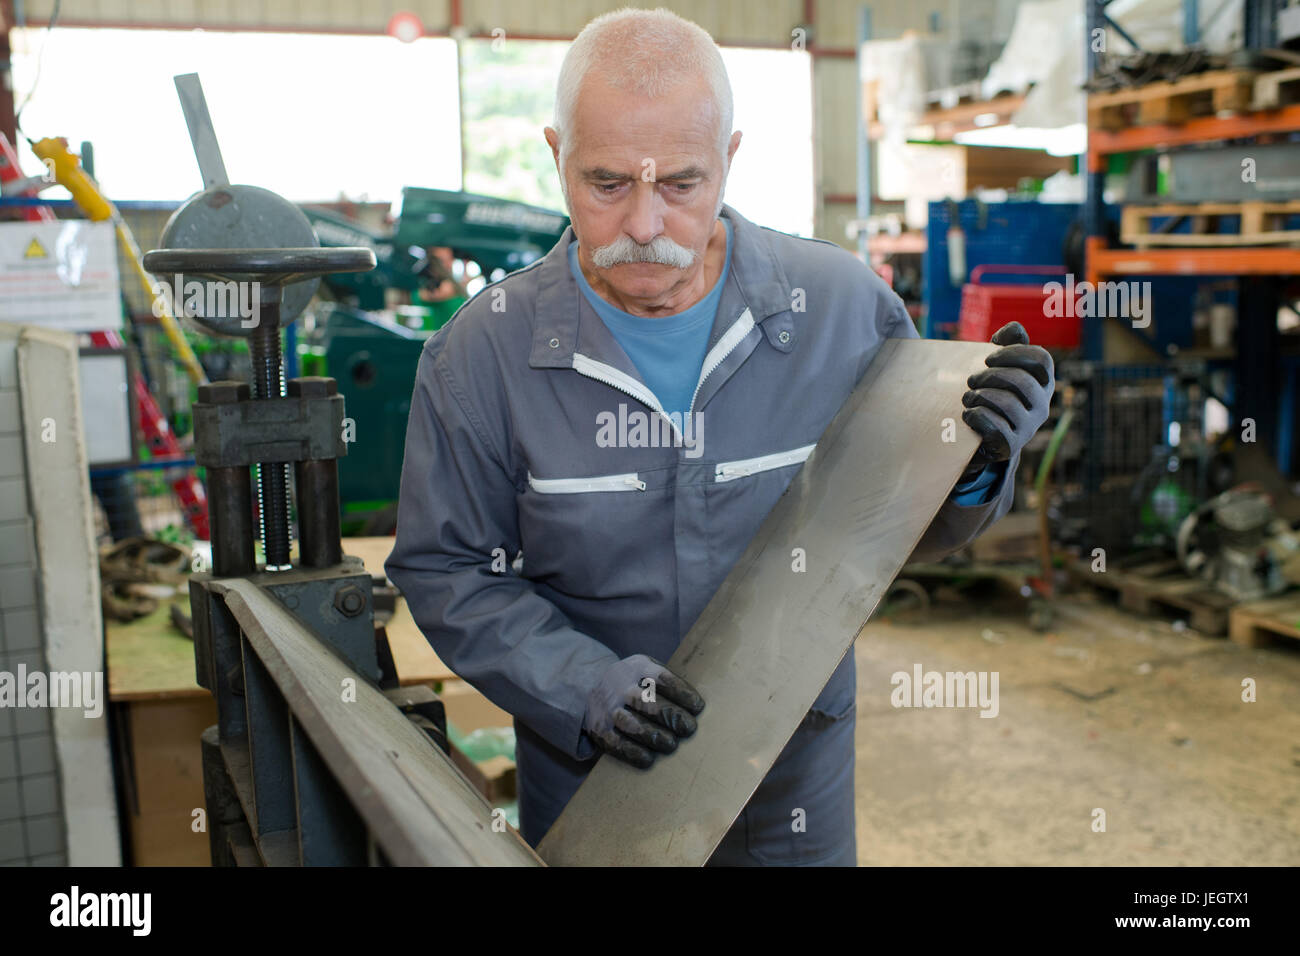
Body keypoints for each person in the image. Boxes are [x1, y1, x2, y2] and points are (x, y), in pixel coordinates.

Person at [386, 7, 1053, 866]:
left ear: (730, 159)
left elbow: (891, 531)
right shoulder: (482, 356)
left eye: (682, 184)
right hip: (596, 782)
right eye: (607, 183)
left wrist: (976, 463)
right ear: (556, 155)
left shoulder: (841, 313)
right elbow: (445, 569)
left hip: (794, 776)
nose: (645, 226)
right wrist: (582, 685)